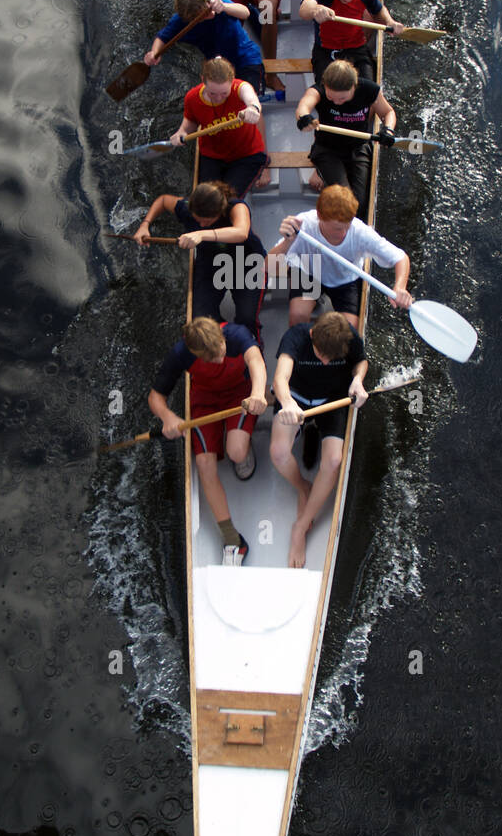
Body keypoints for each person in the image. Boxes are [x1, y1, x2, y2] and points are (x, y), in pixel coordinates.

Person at [150, 318, 268, 566]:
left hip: (239, 396)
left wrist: (257, 393)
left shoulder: (237, 334)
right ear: (195, 353)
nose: (219, 360)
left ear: (222, 339)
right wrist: (168, 417)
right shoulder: (181, 353)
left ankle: (243, 449)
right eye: (211, 359)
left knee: (235, 452)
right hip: (205, 401)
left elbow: (256, 360)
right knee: (204, 465)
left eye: (221, 353)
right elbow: (156, 396)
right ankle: (233, 540)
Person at [270, 311, 367, 567]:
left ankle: (300, 527)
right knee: (279, 452)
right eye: (320, 354)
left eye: (331, 357)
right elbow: (280, 378)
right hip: (297, 398)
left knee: (334, 461)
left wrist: (357, 380)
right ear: (312, 334)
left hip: (333, 400)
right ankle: (304, 486)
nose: (324, 362)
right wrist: (288, 402)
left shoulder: (349, 338)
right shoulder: (296, 337)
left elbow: (361, 361)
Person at [135, 180, 267, 344]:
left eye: (207, 221)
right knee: (202, 320)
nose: (201, 224)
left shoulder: (236, 207)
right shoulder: (186, 207)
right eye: (198, 220)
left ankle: (252, 348)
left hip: (246, 264)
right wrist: (145, 225)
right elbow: (163, 200)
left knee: (247, 318)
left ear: (220, 212)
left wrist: (202, 234)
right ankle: (221, 345)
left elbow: (241, 233)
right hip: (211, 264)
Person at [269, 182, 412, 328]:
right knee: (297, 316)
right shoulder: (303, 225)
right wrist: (287, 242)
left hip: (346, 280)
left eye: (347, 226)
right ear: (320, 216)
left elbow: (401, 258)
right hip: (311, 273)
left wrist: (400, 287)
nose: (343, 233)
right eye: (337, 229)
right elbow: (269, 266)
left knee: (349, 330)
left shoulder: (360, 231)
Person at [295, 57, 396, 203]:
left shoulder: (369, 89)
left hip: (358, 148)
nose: (336, 102)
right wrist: (304, 117)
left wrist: (388, 130)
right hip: (327, 150)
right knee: (345, 201)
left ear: (354, 86)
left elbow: (388, 113)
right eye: (331, 97)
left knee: (359, 203)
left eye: (342, 98)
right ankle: (322, 172)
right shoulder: (318, 90)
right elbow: (303, 105)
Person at [169, 56, 268, 199]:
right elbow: (190, 122)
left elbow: (252, 99)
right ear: (203, 80)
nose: (218, 98)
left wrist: (253, 109)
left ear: (232, 80)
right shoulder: (192, 98)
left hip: (246, 156)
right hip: (212, 156)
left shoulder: (241, 87)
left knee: (226, 201)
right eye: (213, 93)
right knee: (207, 200)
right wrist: (181, 133)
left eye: (224, 93)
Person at [299, 0, 404, 83]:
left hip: (356, 47)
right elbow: (305, 9)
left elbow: (378, 10)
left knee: (369, 90)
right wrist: (315, 10)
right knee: (327, 92)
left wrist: (390, 22)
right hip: (326, 50)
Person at [145, 0, 265, 95]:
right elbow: (162, 38)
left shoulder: (218, 2)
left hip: (245, 59)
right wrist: (154, 52)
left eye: (208, 8)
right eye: (205, 14)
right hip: (218, 67)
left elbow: (245, 13)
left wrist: (224, 7)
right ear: (192, 18)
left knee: (248, 99)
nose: (212, 13)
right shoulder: (180, 22)